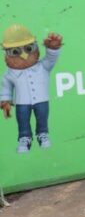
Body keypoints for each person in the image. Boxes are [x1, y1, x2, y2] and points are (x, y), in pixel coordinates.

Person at [1, 24, 63, 153]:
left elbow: (51, 59)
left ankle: (43, 134)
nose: (23, 56)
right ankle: (24, 138)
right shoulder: (10, 74)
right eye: (15, 52)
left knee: (42, 117)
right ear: (7, 54)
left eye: (28, 48)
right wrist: (5, 101)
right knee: (22, 120)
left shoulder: (43, 67)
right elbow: (5, 87)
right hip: (21, 103)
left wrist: (53, 47)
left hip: (41, 100)